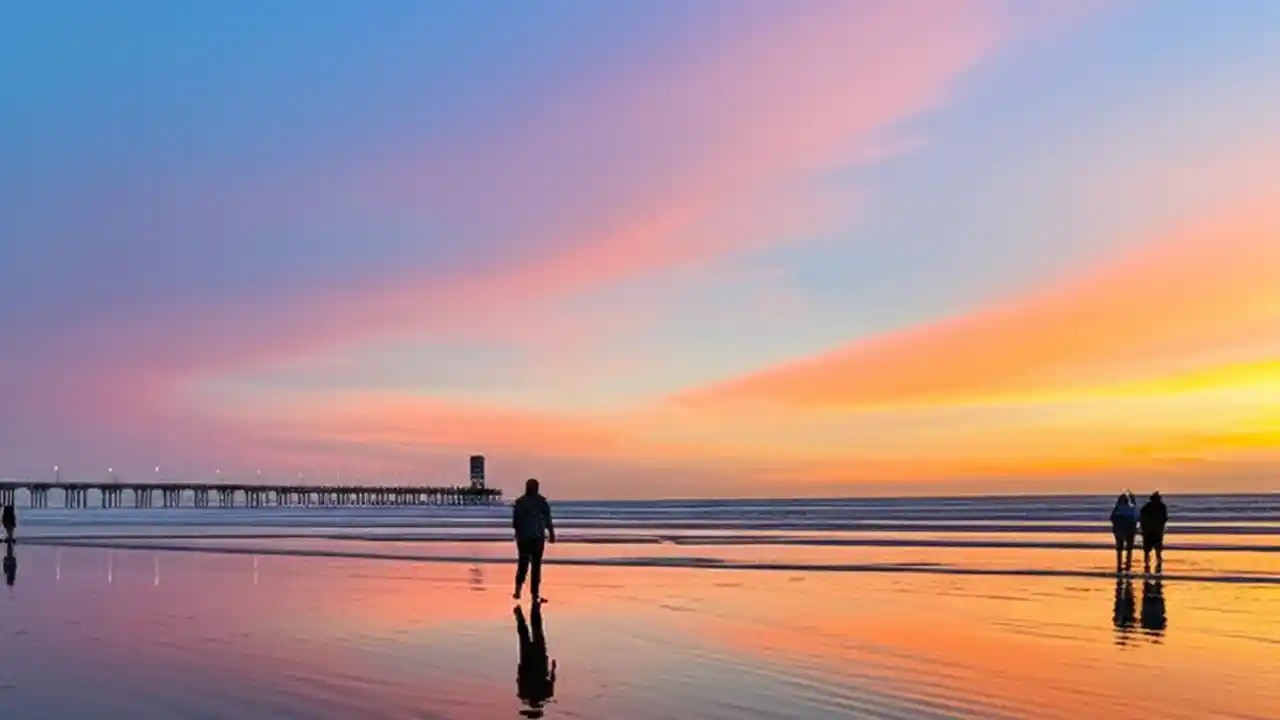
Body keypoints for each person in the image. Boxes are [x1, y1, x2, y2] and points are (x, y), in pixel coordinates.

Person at [513, 478, 555, 602]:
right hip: (536, 537)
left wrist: (518, 535)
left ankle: (518, 591)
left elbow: (515, 522)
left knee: (523, 564)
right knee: (535, 566)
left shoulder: (520, 502)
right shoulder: (541, 502)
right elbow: (547, 519)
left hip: (525, 537)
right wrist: (551, 533)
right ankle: (534, 594)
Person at [514, 603, 556, 718]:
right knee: (525, 636)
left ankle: (533, 607)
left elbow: (551, 680)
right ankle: (522, 613)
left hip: (538, 662)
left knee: (535, 632)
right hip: (530, 662)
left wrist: (553, 669)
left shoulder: (545, 695)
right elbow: (519, 679)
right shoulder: (524, 695)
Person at [1139, 491, 1168, 573]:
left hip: (1148, 529)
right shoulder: (1162, 506)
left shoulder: (1147, 506)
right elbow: (1165, 518)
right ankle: (1158, 561)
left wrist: (1143, 526)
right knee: (1158, 547)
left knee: (1147, 548)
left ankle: (1147, 561)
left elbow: (1142, 516)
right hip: (1157, 529)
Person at [1109, 492, 1138, 574]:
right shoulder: (1131, 508)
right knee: (1129, 548)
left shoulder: (1117, 508)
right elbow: (1136, 518)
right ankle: (1128, 564)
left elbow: (1112, 518)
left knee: (1119, 548)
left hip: (1119, 530)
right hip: (1129, 529)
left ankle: (1119, 565)